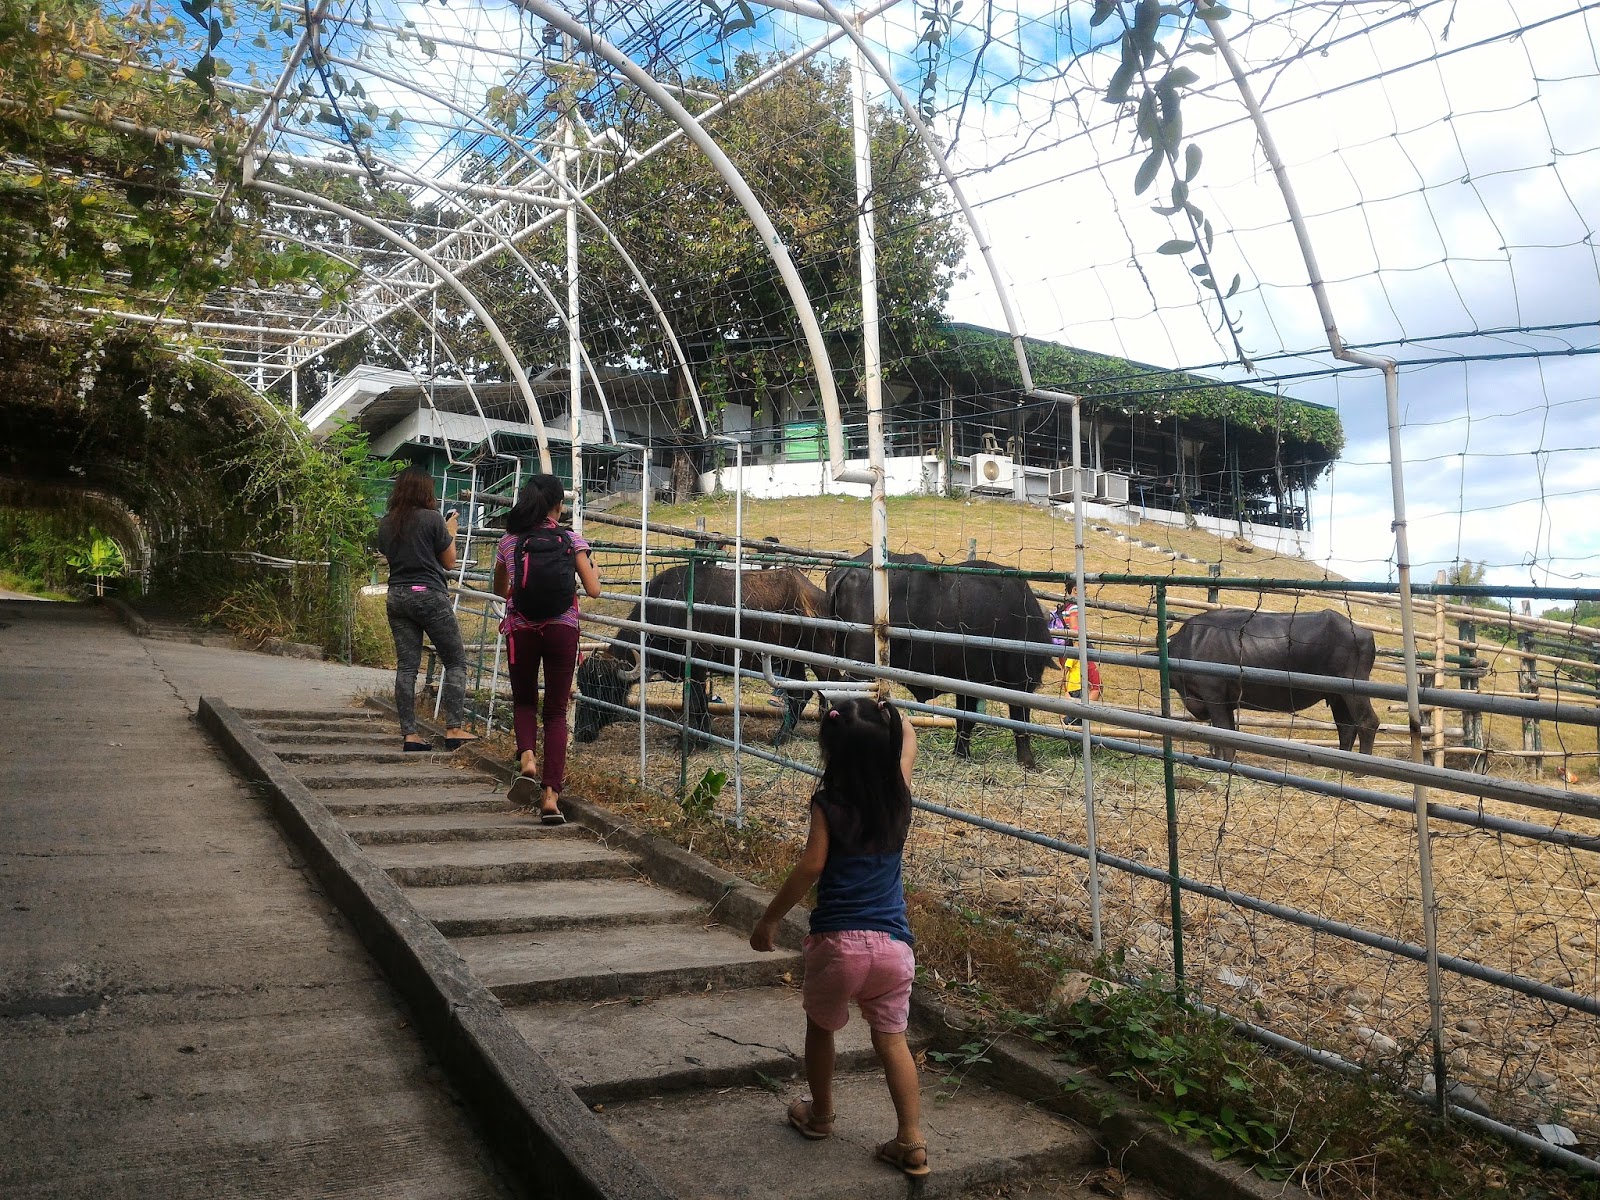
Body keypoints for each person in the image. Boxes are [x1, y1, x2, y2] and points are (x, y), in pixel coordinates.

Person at [749, 696, 930, 1178]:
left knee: (821, 1028)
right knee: (893, 1040)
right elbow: (910, 742)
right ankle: (911, 1140)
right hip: (894, 947)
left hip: (839, 944)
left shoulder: (827, 803)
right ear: (887, 751)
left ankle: (821, 1115)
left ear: (829, 753)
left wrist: (769, 919)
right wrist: (895, 713)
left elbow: (811, 865)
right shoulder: (899, 791)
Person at [491, 474, 601, 825]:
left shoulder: (509, 541)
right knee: (555, 712)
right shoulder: (571, 539)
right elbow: (594, 589)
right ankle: (551, 796)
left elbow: (500, 588)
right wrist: (588, 558)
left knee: (524, 700)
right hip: (561, 629)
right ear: (559, 505)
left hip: (521, 629)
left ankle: (527, 758)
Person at [376, 467, 477, 752]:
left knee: (407, 667)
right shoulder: (433, 519)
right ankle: (454, 729)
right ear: (425, 490)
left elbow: (396, 552)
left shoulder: (386, 523)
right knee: (455, 661)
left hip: (397, 595)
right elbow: (449, 562)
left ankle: (410, 734)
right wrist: (450, 531)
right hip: (428, 594)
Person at [1050, 599, 1102, 723]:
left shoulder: (1063, 608)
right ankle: (1076, 720)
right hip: (1076, 654)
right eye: (1084, 588)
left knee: (1071, 685)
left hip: (1067, 652)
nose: (1086, 591)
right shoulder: (1074, 608)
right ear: (1075, 589)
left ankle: (1071, 721)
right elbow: (1075, 631)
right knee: (1095, 685)